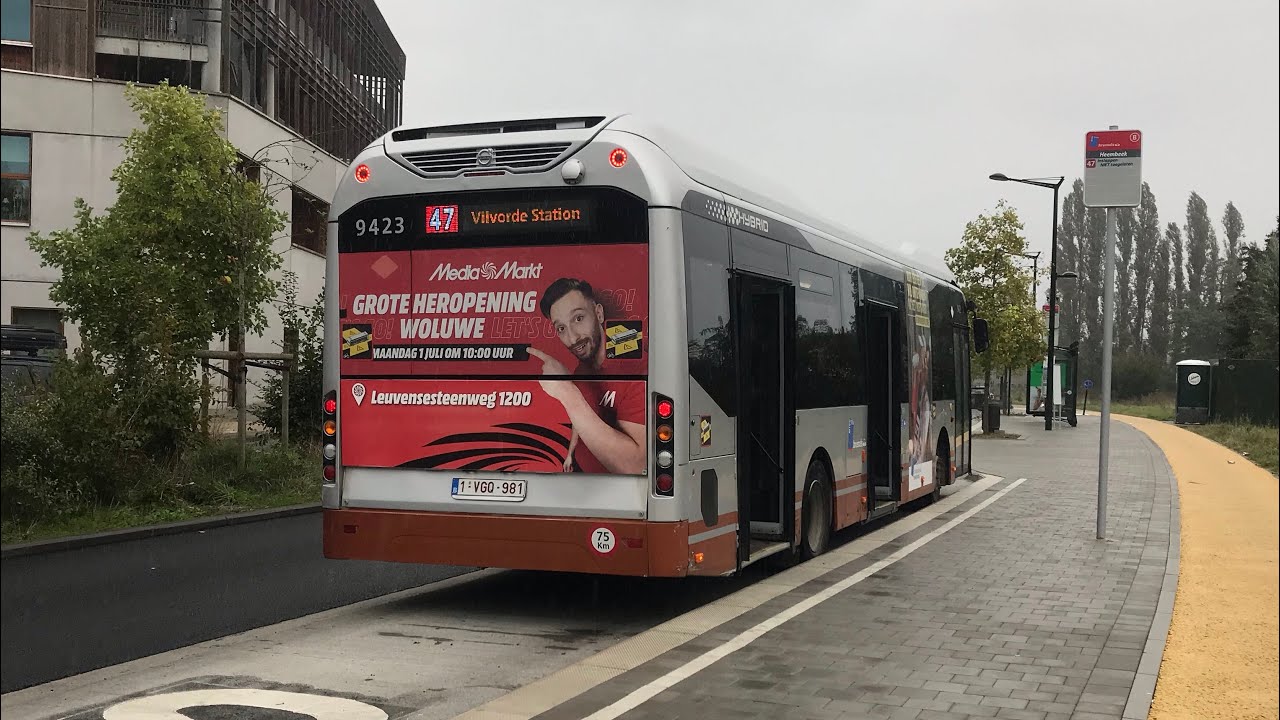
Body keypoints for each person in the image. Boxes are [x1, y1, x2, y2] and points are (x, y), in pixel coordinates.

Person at [528, 277, 645, 475]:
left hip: (618, 493)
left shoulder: (638, 368)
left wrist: (566, 392)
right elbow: (579, 423)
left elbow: (635, 466)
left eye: (578, 318)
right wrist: (570, 454)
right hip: (581, 483)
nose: (573, 338)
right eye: (561, 328)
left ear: (598, 313)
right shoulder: (581, 372)